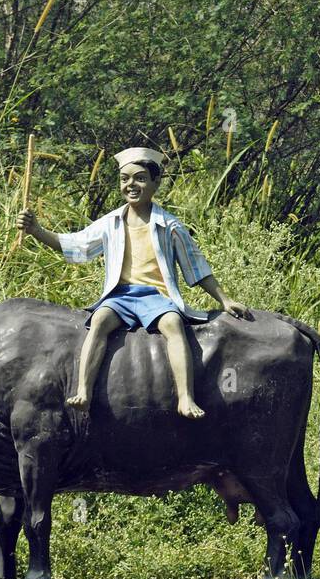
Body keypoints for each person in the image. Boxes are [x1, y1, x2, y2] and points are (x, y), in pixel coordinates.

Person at [17, 146, 248, 418]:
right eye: (124, 179)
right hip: (121, 296)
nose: (131, 185)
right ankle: (83, 390)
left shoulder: (169, 225)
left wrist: (224, 298)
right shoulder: (111, 222)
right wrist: (36, 230)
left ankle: (185, 397)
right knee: (100, 321)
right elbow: (73, 245)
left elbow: (196, 267)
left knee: (173, 325)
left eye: (139, 178)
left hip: (156, 297)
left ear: (155, 183)